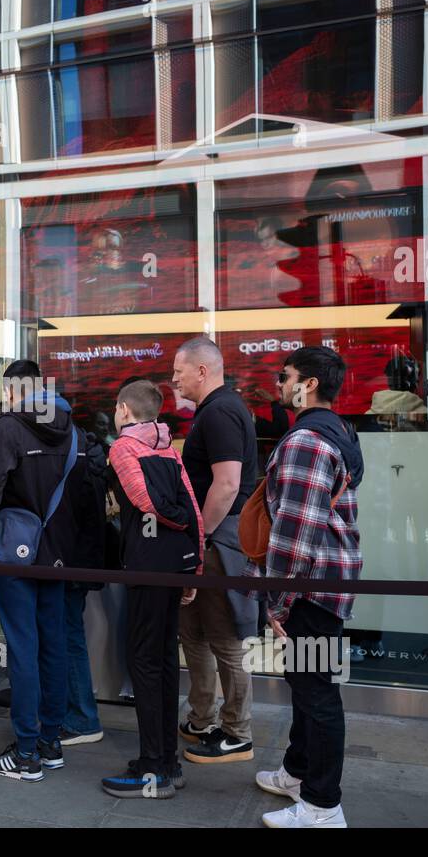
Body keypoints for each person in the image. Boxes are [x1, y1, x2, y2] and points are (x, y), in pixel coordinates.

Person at [253, 346, 364, 828]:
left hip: (309, 587)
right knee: (306, 684)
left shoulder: (304, 442)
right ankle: (298, 774)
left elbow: (296, 533)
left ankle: (322, 806)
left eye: (286, 376)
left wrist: (276, 602)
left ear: (309, 383)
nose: (279, 384)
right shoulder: (338, 431)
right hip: (326, 581)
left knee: (316, 692)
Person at [0, 359, 87, 782]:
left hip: (15, 554)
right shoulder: (72, 428)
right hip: (57, 554)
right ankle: (50, 742)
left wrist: (8, 511)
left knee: (22, 648)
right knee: (53, 644)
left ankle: (25, 753)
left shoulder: (7, 428)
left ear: (10, 391)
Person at [100, 380, 204, 799]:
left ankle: (153, 771)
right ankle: (166, 762)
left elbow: (149, 502)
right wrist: (194, 565)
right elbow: (193, 506)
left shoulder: (123, 448)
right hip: (174, 565)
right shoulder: (167, 446)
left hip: (146, 566)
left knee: (144, 661)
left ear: (125, 410)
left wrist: (171, 518)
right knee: (162, 660)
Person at [171, 336, 260, 763]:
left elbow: (226, 485)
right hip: (208, 542)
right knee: (195, 634)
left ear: (202, 371)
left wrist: (200, 537)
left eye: (179, 371)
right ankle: (202, 717)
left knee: (225, 639)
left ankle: (237, 732)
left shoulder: (222, 411)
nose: (174, 380)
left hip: (219, 543)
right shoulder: (215, 411)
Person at [59, 422, 107, 748]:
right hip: (83, 560)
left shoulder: (72, 461)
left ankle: (82, 718)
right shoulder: (92, 454)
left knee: (68, 635)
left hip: (70, 561)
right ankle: (76, 713)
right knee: (70, 633)